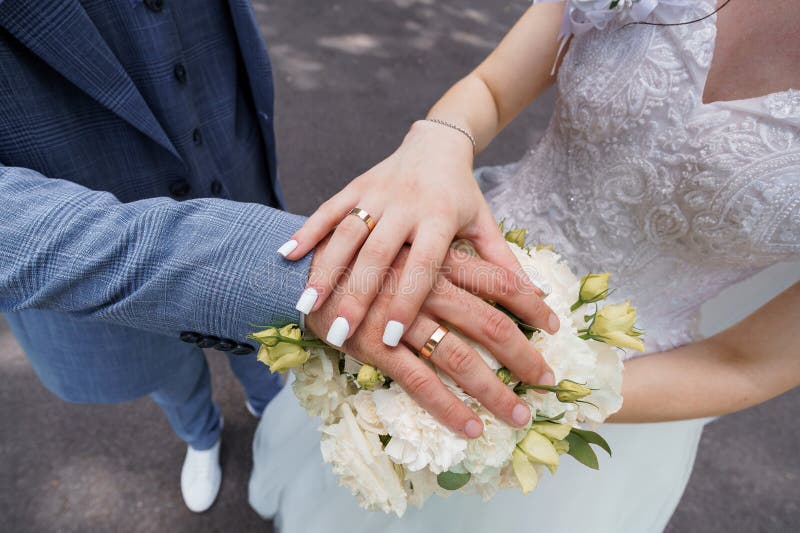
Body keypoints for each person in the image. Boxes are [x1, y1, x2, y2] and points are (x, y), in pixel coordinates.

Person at [252, 0, 800, 531]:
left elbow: (745, 364)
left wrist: (546, 391)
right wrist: (440, 142)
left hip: (622, 379)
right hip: (452, 260)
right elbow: (489, 90)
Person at [0, 0, 552, 514]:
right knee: (165, 373)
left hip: (226, 148)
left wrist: (441, 139)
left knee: (273, 364)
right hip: (76, 234)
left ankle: (269, 406)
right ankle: (201, 433)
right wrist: (277, 275)